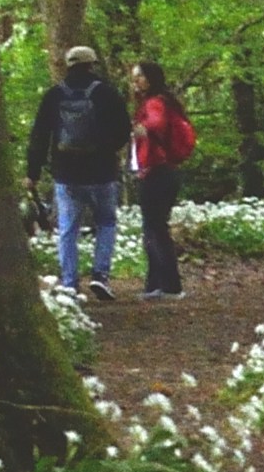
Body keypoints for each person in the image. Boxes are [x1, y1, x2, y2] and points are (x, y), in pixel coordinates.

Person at [28, 42, 129, 299]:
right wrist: (109, 149)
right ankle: (100, 276)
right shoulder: (106, 93)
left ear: (68, 66)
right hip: (102, 171)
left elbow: (39, 135)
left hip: (66, 173)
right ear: (92, 64)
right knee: (106, 222)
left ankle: (70, 283)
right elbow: (124, 129)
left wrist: (33, 172)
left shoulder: (54, 95)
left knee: (68, 229)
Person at [128, 62, 197, 298]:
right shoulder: (166, 101)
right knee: (155, 227)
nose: (135, 81)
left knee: (154, 228)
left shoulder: (154, 103)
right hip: (166, 171)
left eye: (139, 77)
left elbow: (156, 123)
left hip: (156, 171)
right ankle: (157, 284)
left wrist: (141, 128)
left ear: (151, 79)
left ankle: (168, 285)